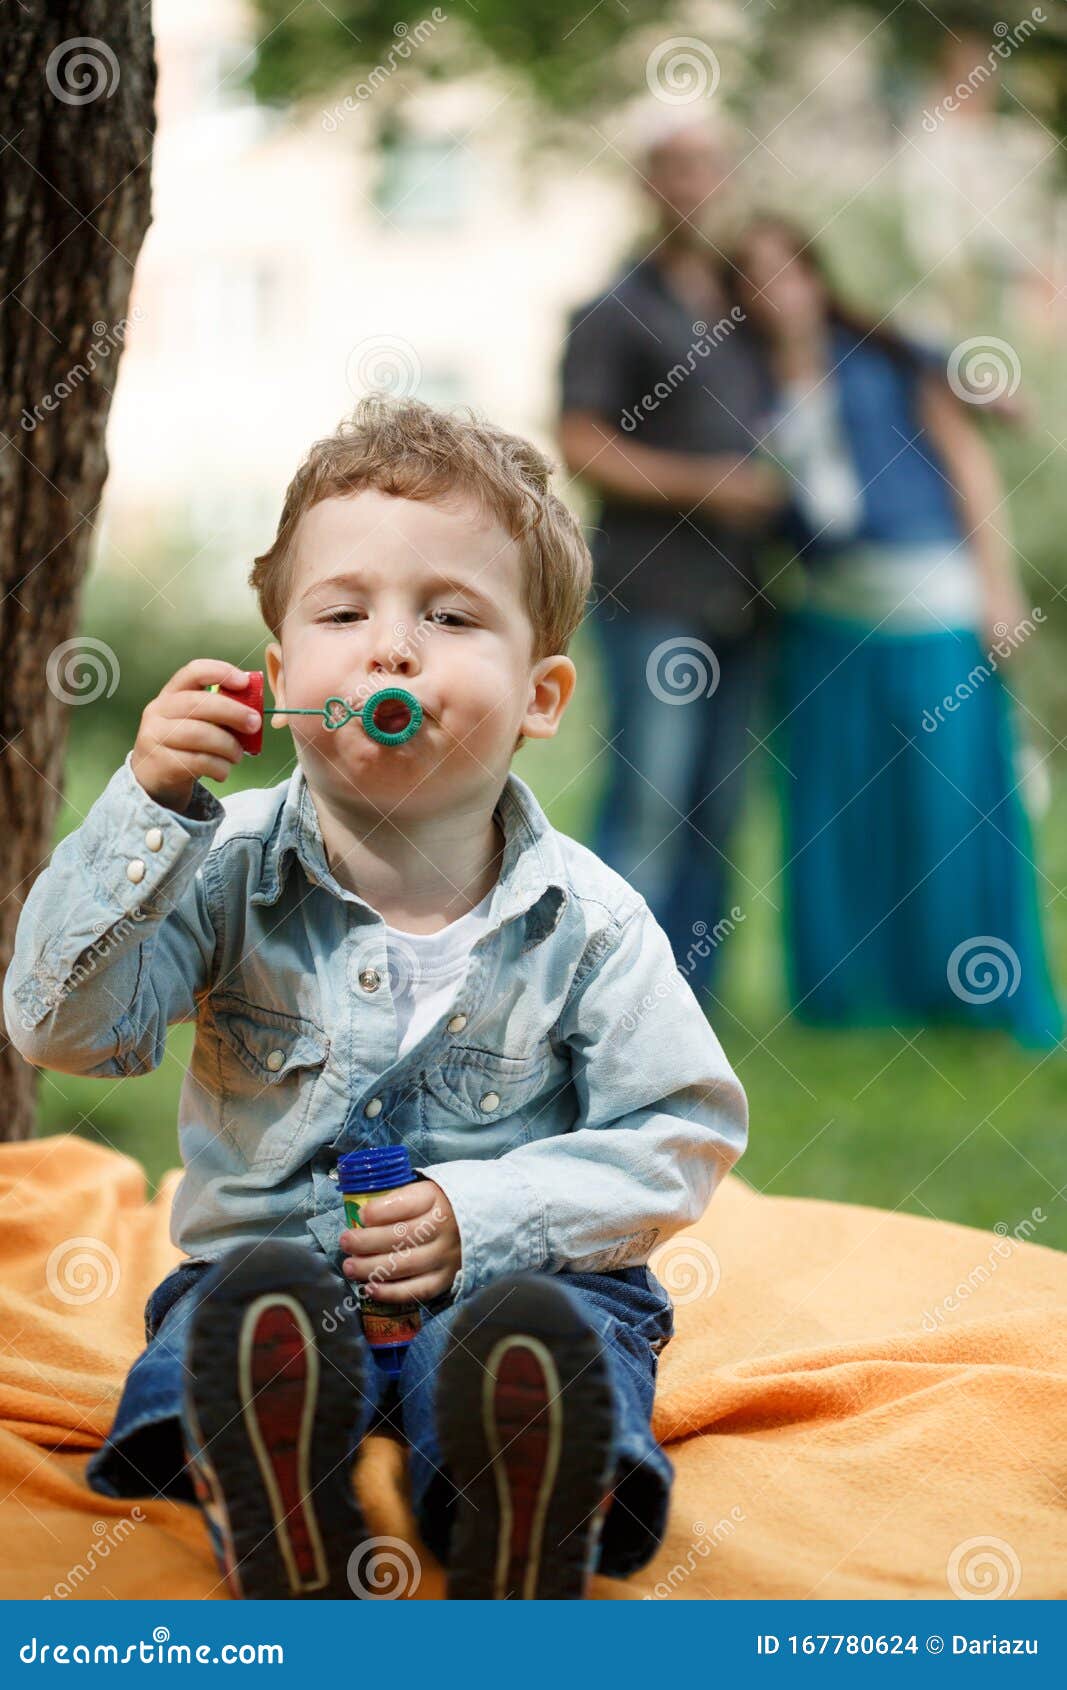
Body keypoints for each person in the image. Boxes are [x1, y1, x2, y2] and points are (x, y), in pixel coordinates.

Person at [3, 396, 748, 1599]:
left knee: (556, 1342)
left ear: (541, 694)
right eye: (344, 613)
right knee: (233, 1324)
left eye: (448, 617)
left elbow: (682, 1129)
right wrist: (144, 812)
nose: (390, 650)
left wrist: (485, 1210)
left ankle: (511, 1502)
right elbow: (60, 1027)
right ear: (277, 677)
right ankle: (283, 1502)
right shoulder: (217, 867)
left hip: (515, 1284)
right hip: (273, 1288)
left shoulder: (592, 918)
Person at [730, 216, 1061, 1046]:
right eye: (753, 277)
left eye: (787, 271)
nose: (775, 292)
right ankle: (850, 995)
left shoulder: (887, 355)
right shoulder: (739, 381)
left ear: (815, 277)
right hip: (828, 625)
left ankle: (966, 992)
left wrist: (998, 592)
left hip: (933, 614)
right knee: (841, 814)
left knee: (949, 811)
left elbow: (970, 467)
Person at [558, 120, 784, 997]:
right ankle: (608, 996)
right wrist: (709, 487)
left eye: (706, 170)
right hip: (651, 596)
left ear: (727, 183)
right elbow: (581, 444)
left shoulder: (742, 312)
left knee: (717, 809)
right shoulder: (612, 310)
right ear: (646, 188)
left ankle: (688, 1006)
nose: (692, 187)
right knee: (648, 802)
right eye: (674, 171)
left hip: (744, 599)